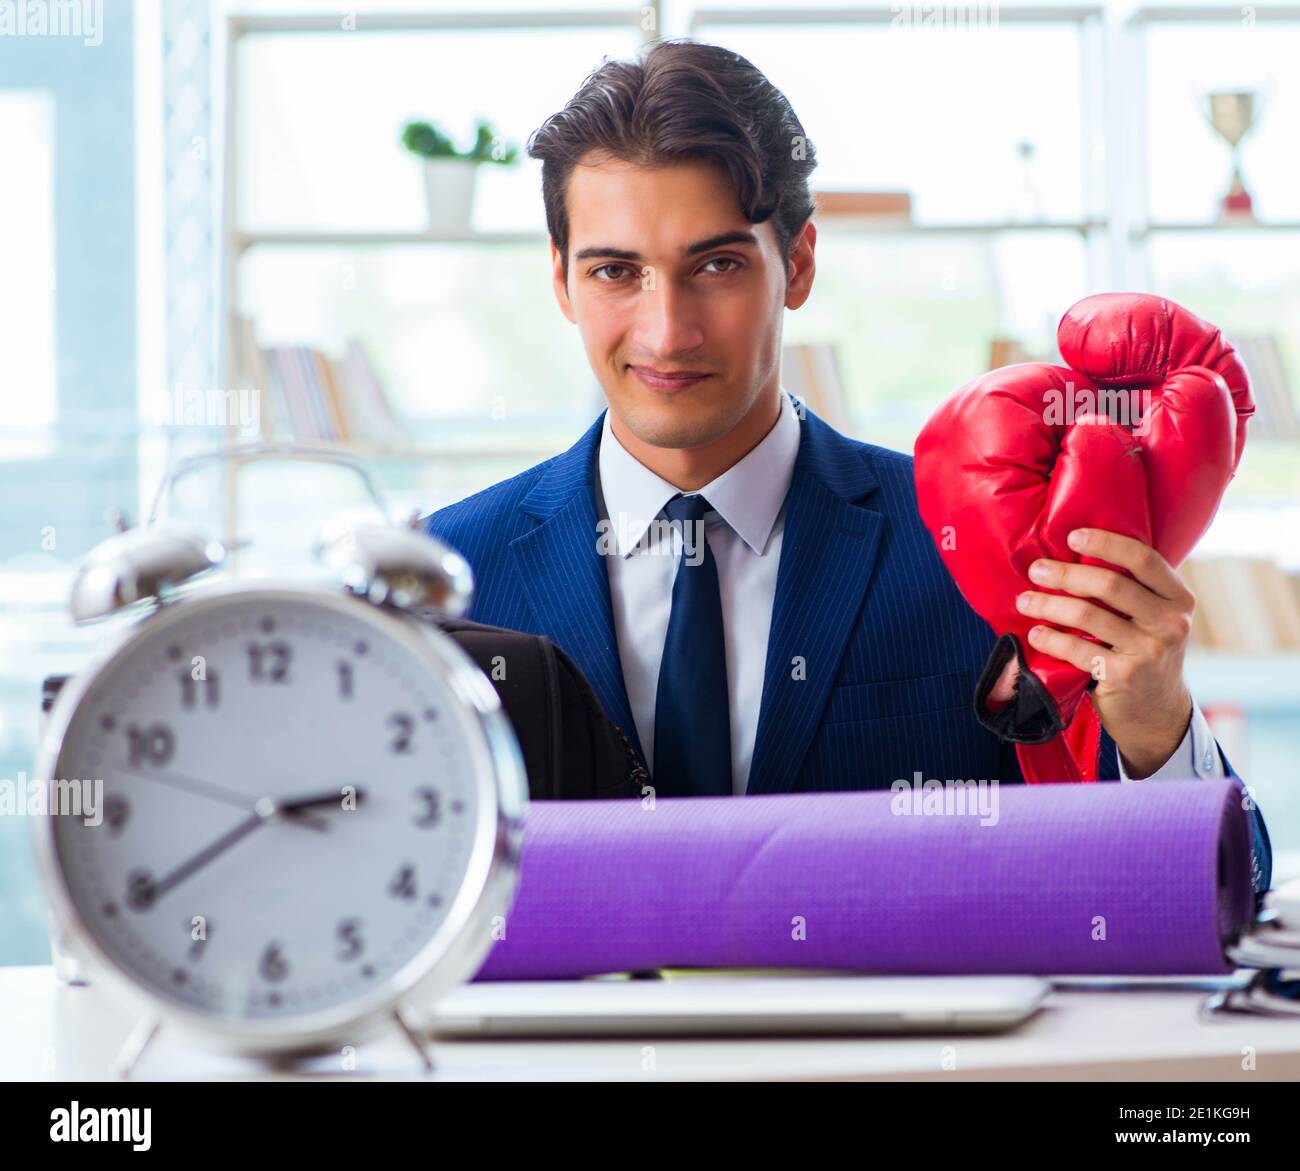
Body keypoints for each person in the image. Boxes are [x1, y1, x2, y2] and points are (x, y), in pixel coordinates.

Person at [423, 38, 1270, 893]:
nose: (665, 331)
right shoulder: (446, 578)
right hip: (564, 1034)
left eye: (716, 265)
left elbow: (1220, 897)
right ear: (563, 283)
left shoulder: (981, 539)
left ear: (797, 264)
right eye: (616, 271)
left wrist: (1156, 727)